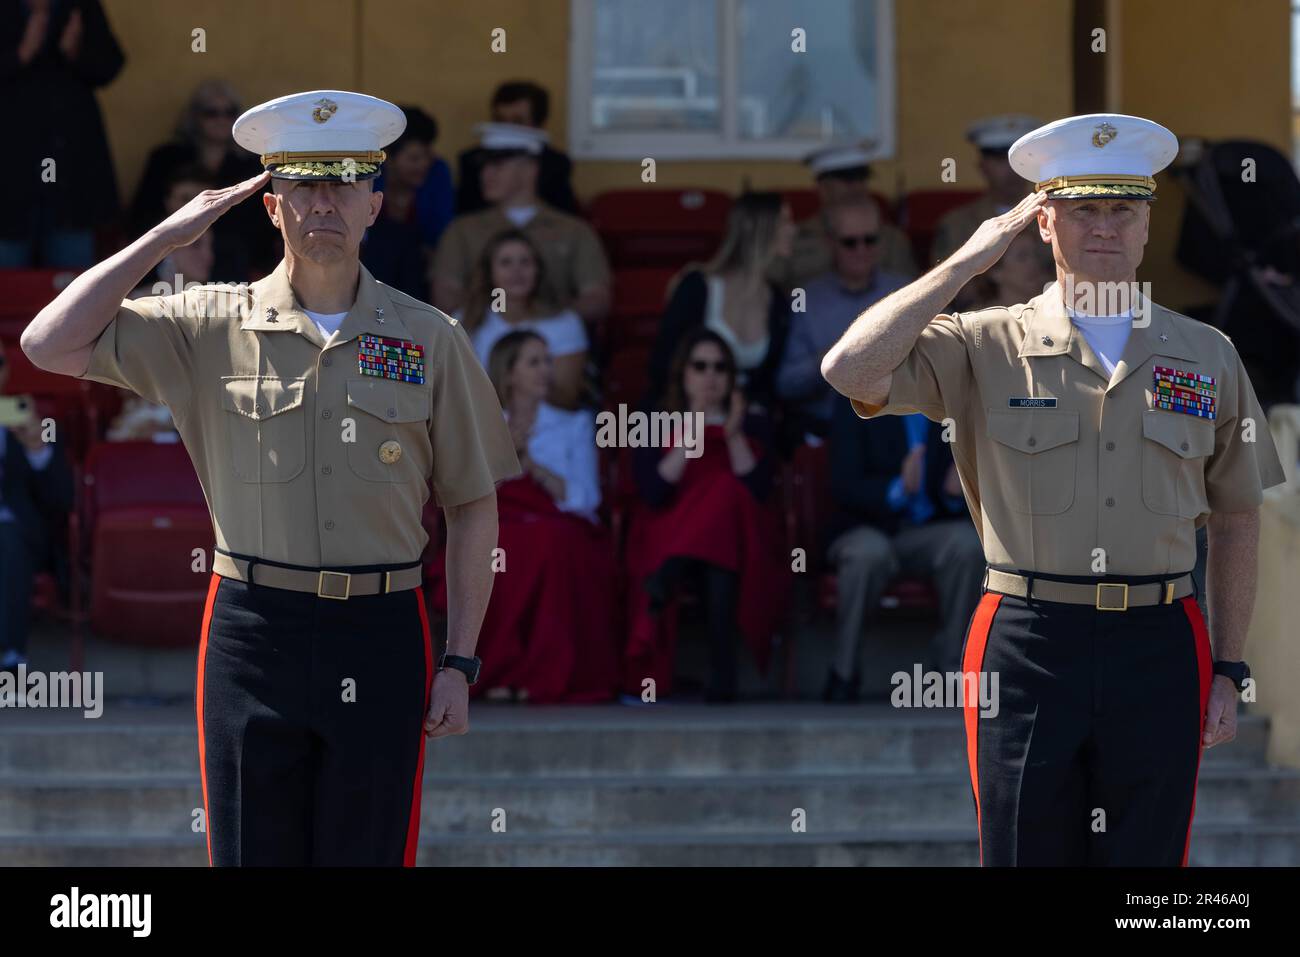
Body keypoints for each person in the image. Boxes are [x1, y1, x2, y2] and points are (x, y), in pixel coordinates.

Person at [21, 89, 521, 867]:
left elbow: (473, 505)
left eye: (345, 181)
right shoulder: (207, 323)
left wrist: (459, 662)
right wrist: (164, 235)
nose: (324, 201)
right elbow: (47, 342)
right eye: (301, 185)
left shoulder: (431, 338)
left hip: (382, 630)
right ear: (272, 206)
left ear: (374, 204)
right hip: (255, 632)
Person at [822, 113, 1288, 867]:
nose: (1103, 228)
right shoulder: (983, 342)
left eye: (1121, 210)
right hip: (1029, 639)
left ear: (1145, 226)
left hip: (1162, 637)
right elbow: (849, 368)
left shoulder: (1208, 353)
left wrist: (1230, 667)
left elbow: (1236, 516)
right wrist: (964, 266)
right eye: (1081, 211)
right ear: (1044, 223)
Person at [429, 331, 618, 703]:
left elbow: (585, 499)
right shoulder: (481, 422)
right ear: (509, 371)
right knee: (499, 545)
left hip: (560, 526)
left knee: (546, 541)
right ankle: (498, 671)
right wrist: (503, 457)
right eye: (534, 362)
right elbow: (458, 491)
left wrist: (530, 464)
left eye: (548, 361)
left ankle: (538, 674)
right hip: (501, 521)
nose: (546, 370)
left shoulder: (574, 423)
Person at [626, 329, 789, 702]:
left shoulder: (754, 422)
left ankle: (668, 578)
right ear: (683, 372)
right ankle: (723, 671)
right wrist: (694, 429)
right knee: (723, 511)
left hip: (739, 539)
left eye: (720, 367)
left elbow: (758, 491)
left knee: (727, 499)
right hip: (669, 529)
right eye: (700, 366)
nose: (710, 375)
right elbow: (654, 492)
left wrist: (731, 435)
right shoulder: (654, 417)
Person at [824, 395, 984, 701]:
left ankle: (950, 670)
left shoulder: (946, 404)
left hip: (922, 532)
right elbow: (842, 484)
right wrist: (897, 489)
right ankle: (843, 672)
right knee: (869, 554)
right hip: (866, 526)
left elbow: (949, 489)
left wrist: (954, 494)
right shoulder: (857, 401)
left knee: (967, 545)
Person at [434, 123, 610, 327]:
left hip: (553, 350)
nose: (486, 174)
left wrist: (551, 324)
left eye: (498, 164)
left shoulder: (574, 231)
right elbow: (445, 295)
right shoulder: (461, 230)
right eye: (484, 166)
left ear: (530, 169)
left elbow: (597, 298)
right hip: (478, 347)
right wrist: (492, 324)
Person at [0, 0, 124, 267]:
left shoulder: (78, 6)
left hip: (70, 183)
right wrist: (20, 54)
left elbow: (111, 66)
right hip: (9, 182)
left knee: (72, 288)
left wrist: (75, 50)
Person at [647, 192, 795, 410]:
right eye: (784, 221)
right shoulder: (697, 286)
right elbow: (662, 365)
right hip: (683, 418)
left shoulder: (779, 301)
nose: (793, 229)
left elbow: (769, 385)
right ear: (754, 228)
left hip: (746, 424)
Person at [775, 195, 909, 437]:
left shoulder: (905, 292)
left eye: (870, 240)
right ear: (830, 243)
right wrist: (830, 360)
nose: (862, 250)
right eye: (850, 242)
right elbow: (786, 383)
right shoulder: (805, 299)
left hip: (893, 428)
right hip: (826, 428)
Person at [129, 79, 275, 280]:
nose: (221, 119)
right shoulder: (166, 158)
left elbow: (265, 225)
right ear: (195, 116)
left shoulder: (253, 165)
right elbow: (142, 215)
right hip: (169, 254)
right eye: (211, 112)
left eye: (229, 112)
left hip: (237, 262)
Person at [0, 339, 74, 676]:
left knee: (8, 540)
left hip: (14, 527)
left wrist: (36, 450)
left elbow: (61, 499)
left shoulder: (30, 423)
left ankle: (10, 654)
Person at [457, 230, 589, 409]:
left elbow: (568, 397)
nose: (516, 271)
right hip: (486, 427)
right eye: (506, 262)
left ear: (538, 270)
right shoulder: (463, 322)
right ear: (489, 272)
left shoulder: (565, 323)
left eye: (525, 262)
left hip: (554, 428)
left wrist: (523, 378)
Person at [767, 141, 917, 291]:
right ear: (822, 187)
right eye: (847, 179)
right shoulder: (792, 240)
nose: (856, 187)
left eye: (862, 178)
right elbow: (771, 294)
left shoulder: (893, 240)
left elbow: (911, 295)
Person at [929, 114, 1040, 309]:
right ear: (982, 167)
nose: (1012, 169)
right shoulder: (957, 224)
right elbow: (942, 288)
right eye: (1000, 159)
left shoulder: (1058, 215)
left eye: (1020, 160)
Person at [362, 105, 455, 301]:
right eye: (414, 158)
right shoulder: (369, 176)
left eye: (428, 157)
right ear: (388, 158)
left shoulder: (438, 173)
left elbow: (442, 237)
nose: (423, 165)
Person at [455, 80, 578, 216]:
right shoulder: (473, 160)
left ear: (538, 125)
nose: (507, 129)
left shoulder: (555, 164)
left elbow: (562, 217)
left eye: (518, 122)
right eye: (500, 121)